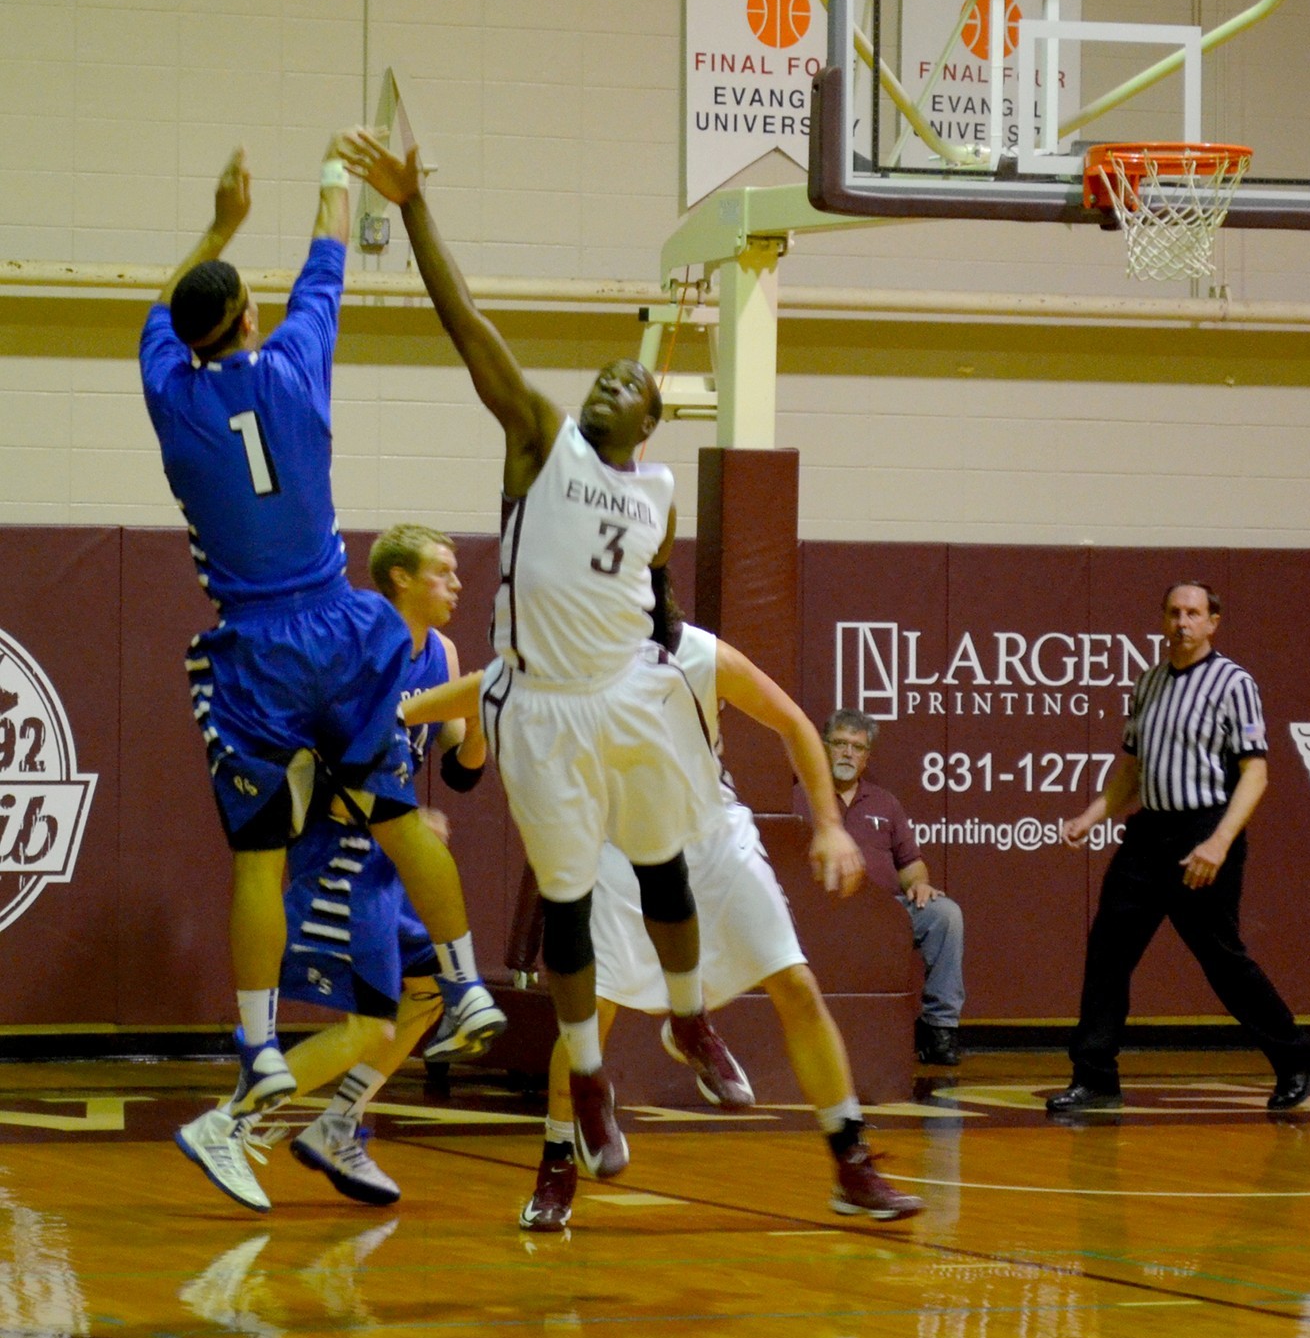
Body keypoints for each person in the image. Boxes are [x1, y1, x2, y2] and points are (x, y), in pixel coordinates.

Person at [340, 128, 748, 1181]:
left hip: (625, 697)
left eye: (628, 382)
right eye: (604, 373)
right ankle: (591, 1084)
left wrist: (663, 641)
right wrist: (414, 205)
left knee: (664, 867)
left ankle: (690, 1020)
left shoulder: (657, 496)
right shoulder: (538, 433)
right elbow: (465, 321)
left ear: (650, 421)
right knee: (568, 907)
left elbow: (645, 594)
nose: (610, 380)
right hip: (542, 708)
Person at [140, 143, 491, 1200]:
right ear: (253, 317)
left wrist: (218, 226)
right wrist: (339, 176)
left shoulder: (169, 393)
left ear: (188, 337)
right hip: (340, 626)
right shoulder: (297, 361)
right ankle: (468, 984)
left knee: (257, 859)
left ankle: (257, 1048)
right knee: (401, 818)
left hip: (255, 646)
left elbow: (164, 311)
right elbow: (326, 258)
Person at [407, 569, 924, 1230]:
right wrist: (392, 711)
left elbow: (794, 723)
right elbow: (478, 687)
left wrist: (827, 824)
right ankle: (557, 1163)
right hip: (618, 850)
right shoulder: (556, 662)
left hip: (713, 836)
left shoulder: (698, 654)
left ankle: (850, 1162)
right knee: (590, 1014)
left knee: (795, 984)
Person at [176, 524, 510, 1213]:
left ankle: (338, 1124)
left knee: (427, 992)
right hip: (342, 856)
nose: (456, 583)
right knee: (369, 1024)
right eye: (442, 571)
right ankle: (225, 1127)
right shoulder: (353, 647)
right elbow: (329, 770)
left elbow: (462, 770)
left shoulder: (441, 652)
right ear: (400, 579)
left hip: (388, 862)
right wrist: (397, 815)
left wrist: (478, 712)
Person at [1046, 581, 1310, 1114]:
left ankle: (1298, 1054)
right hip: (1148, 834)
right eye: (1174, 613)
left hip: (1205, 830)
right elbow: (1131, 770)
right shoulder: (1148, 682)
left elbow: (1256, 775)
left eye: (1193, 613)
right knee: (1108, 951)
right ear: (1163, 619)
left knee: (1221, 959)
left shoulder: (1234, 683)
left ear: (1212, 622)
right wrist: (1091, 814)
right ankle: (1095, 1076)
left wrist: (1219, 842)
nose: (1182, 622)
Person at [799, 710, 966, 1067]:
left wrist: (919, 884)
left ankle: (939, 1029)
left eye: (857, 747)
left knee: (945, 915)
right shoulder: (799, 797)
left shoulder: (885, 803)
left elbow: (911, 863)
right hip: (818, 913)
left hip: (885, 911)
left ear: (867, 757)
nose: (847, 753)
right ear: (823, 748)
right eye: (839, 744)